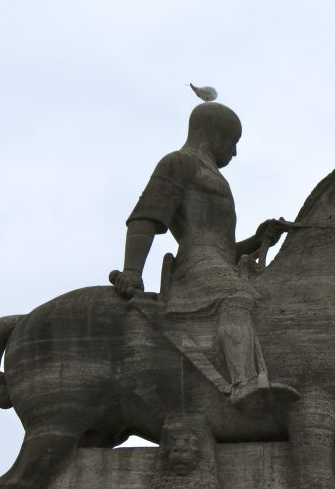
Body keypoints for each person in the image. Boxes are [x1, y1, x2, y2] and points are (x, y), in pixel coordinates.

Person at [110, 100, 289, 407]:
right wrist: (132, 272)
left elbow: (225, 249)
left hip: (219, 266)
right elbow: (146, 217)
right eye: (233, 144)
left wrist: (259, 240)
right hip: (196, 266)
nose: (234, 153)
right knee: (237, 298)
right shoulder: (179, 162)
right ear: (215, 135)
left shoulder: (215, 176)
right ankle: (244, 383)